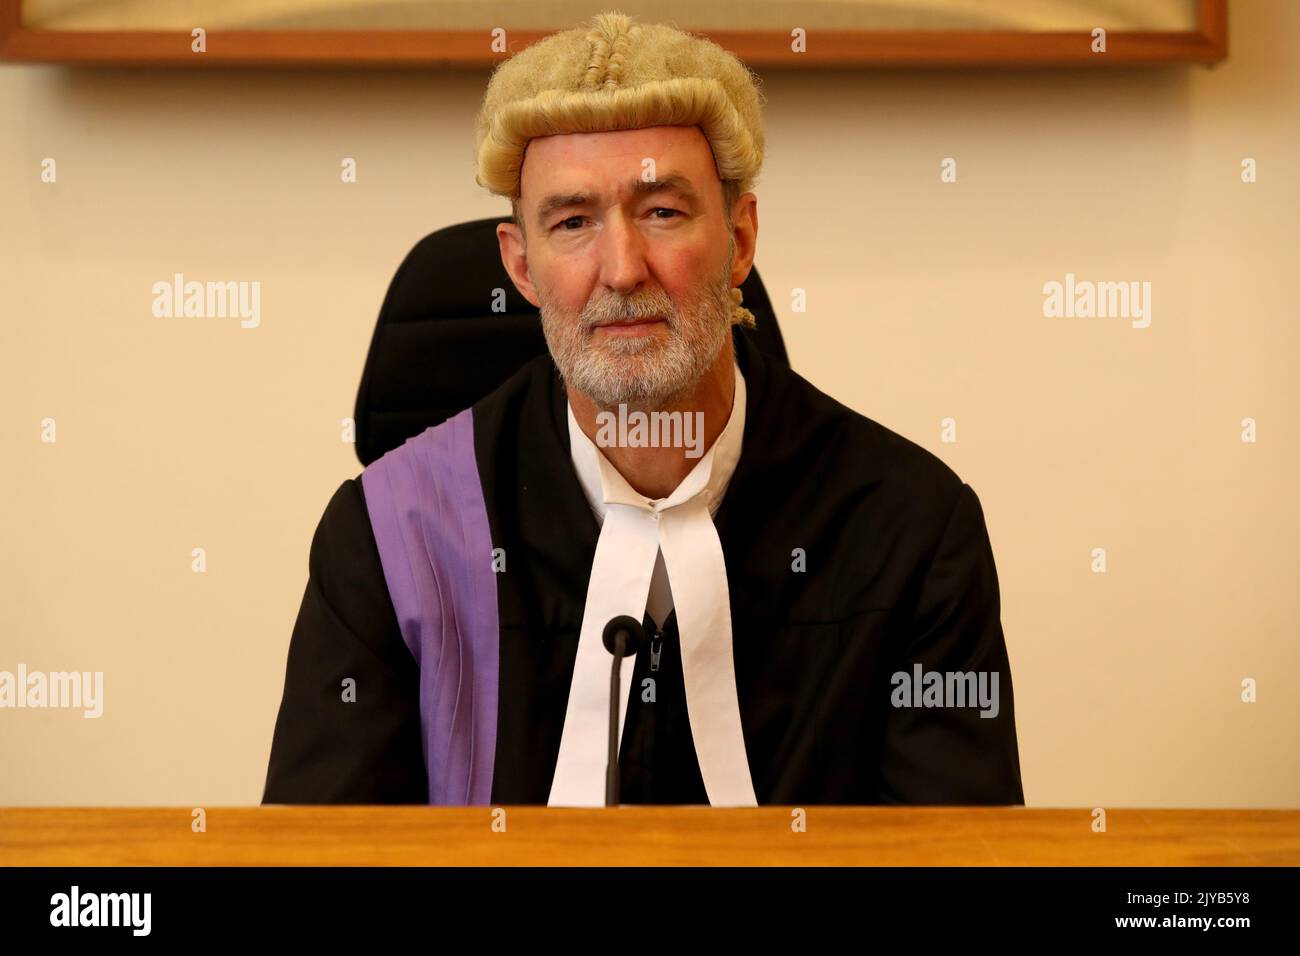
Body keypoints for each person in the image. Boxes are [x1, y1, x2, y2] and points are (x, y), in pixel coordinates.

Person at [263, 11, 1024, 807]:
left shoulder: (912, 531)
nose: (623, 269)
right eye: (572, 222)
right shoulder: (389, 540)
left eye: (662, 210)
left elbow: (960, 858)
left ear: (740, 234)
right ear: (520, 266)